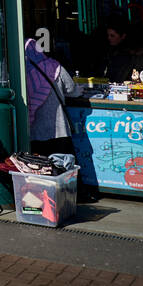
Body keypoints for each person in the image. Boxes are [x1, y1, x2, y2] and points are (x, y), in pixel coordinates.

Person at [24, 37, 99, 202]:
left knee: (41, 166)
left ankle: (46, 197)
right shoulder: (54, 66)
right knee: (67, 164)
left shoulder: (23, 73)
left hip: (36, 129)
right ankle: (76, 195)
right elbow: (71, 90)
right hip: (59, 127)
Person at [101, 16, 143, 82]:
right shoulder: (112, 52)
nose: (109, 38)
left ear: (123, 36)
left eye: (112, 35)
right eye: (108, 35)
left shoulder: (130, 55)